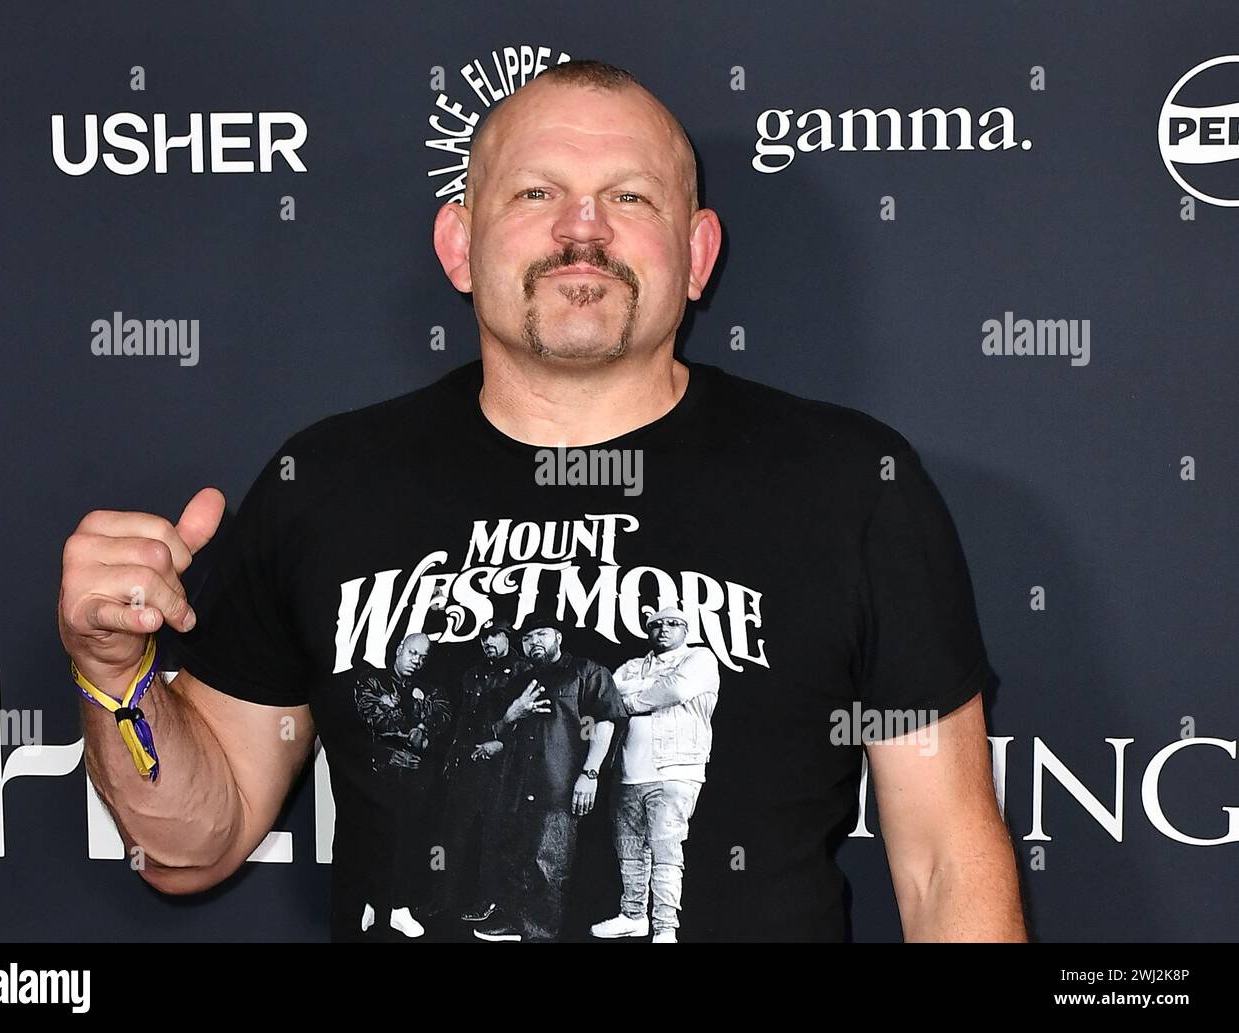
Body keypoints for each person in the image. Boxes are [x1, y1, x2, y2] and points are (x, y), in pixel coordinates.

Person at [57, 58, 1027, 942]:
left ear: (695, 255)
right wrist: (114, 672)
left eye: (628, 196)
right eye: (537, 192)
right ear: (458, 243)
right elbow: (190, 847)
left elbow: (944, 867)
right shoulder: (328, 484)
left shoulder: (851, 486)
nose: (583, 228)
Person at [473, 613, 627, 942]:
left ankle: (539, 934)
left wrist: (590, 773)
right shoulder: (519, 680)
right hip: (515, 782)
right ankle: (516, 921)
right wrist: (513, 714)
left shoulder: (587, 671)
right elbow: (500, 733)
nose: (533, 643)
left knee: (548, 860)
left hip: (559, 781)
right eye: (527, 639)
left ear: (558, 636)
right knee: (515, 854)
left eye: (541, 634)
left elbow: (605, 721)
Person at [592, 606, 719, 942]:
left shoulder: (701, 658)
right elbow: (606, 694)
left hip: (675, 769)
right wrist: (651, 686)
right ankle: (633, 916)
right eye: (657, 625)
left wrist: (633, 699)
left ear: (686, 629)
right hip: (627, 773)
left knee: (666, 853)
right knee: (629, 849)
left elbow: (675, 690)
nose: (664, 629)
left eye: (673, 624)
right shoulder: (634, 665)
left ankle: (665, 930)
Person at [350, 632, 451, 938]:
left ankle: (399, 908)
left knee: (409, 843)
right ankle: (369, 902)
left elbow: (444, 716)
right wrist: (414, 729)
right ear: (398, 651)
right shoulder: (371, 681)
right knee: (373, 841)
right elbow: (372, 717)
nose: (417, 661)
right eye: (412, 653)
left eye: (423, 656)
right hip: (378, 775)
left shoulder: (432, 689)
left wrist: (418, 724)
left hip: (417, 780)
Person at [430, 618, 530, 923]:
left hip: (501, 765)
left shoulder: (524, 670)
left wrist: (501, 743)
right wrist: (452, 756)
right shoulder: (472, 674)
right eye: (484, 638)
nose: (488, 643)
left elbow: (530, 721)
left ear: (507, 638)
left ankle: (490, 901)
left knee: (495, 836)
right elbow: (463, 719)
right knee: (451, 835)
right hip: (467, 761)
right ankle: (441, 899)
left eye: (495, 636)